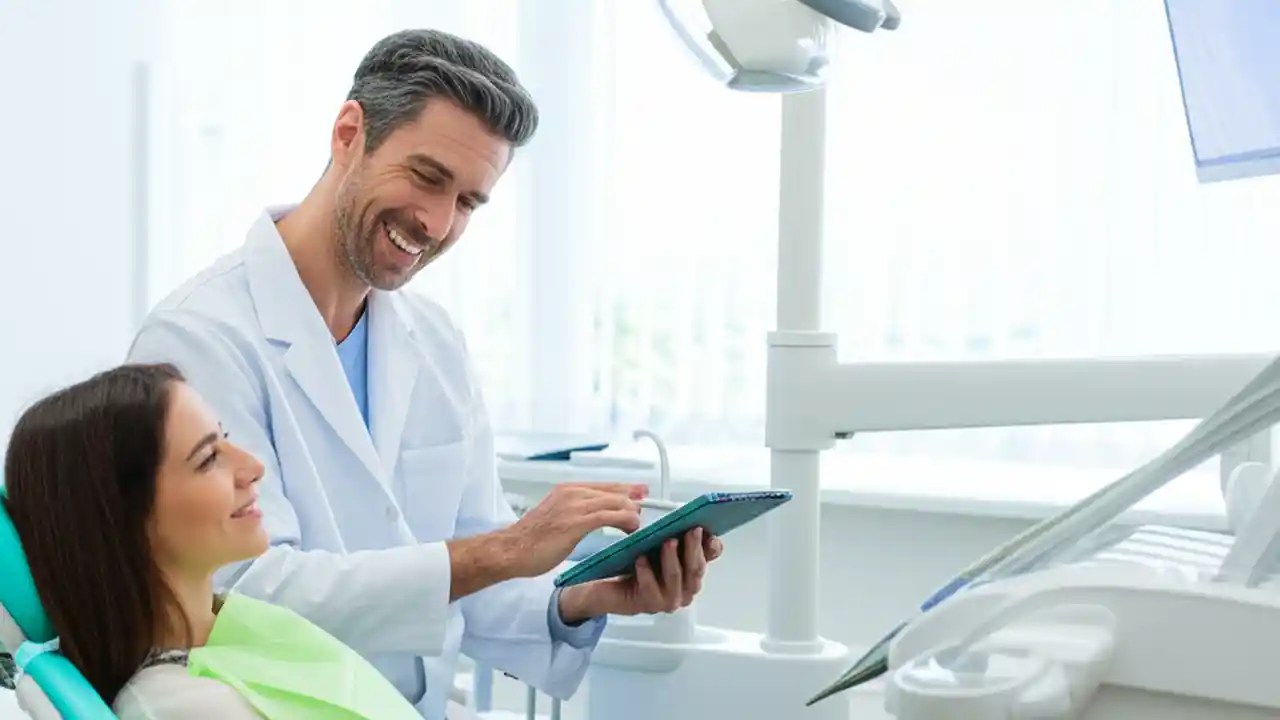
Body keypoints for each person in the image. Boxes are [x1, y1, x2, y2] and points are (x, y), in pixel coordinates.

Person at [126, 28, 724, 718]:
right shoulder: (197, 340)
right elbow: (240, 596)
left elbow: (479, 579)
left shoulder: (434, 343)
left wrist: (587, 596)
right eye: (427, 177)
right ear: (349, 134)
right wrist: (510, 546)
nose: (437, 223)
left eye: (467, 202)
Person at [3, 364, 423, 718]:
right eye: (208, 459)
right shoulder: (182, 706)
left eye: (225, 438)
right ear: (122, 521)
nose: (254, 467)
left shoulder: (231, 629)